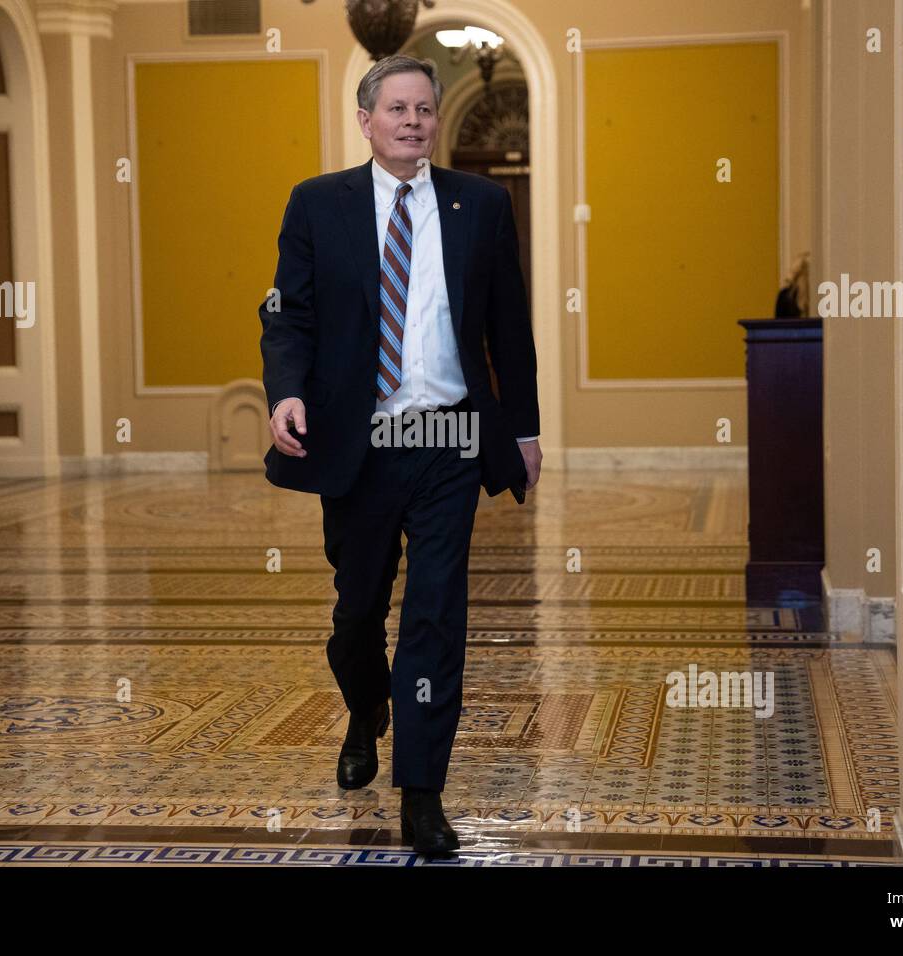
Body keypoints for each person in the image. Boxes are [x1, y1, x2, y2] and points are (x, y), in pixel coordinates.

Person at [259, 54, 541, 855]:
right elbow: (288, 314)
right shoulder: (318, 204)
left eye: (424, 109)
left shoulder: (481, 204)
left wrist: (522, 429)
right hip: (363, 441)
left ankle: (422, 794)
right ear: (366, 119)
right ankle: (365, 706)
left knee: (436, 616)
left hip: (448, 437)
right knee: (357, 616)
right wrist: (286, 392)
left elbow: (508, 329)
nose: (413, 121)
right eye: (397, 109)